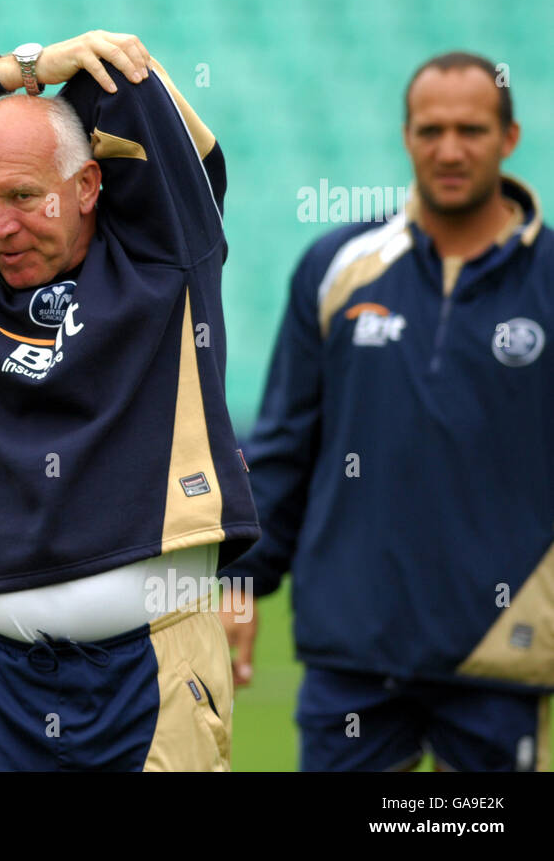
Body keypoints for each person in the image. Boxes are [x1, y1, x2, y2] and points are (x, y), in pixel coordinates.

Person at [0, 34, 261, 770]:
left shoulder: (167, 261)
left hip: (153, 673)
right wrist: (21, 69)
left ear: (89, 186)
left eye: (25, 197)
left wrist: (77, 68)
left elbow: (134, 86)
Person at [221, 52, 553, 771]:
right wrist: (242, 580)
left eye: (471, 129)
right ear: (406, 137)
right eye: (431, 130)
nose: (451, 149)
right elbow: (284, 448)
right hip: (354, 652)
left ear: (510, 137)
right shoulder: (338, 266)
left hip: (499, 652)